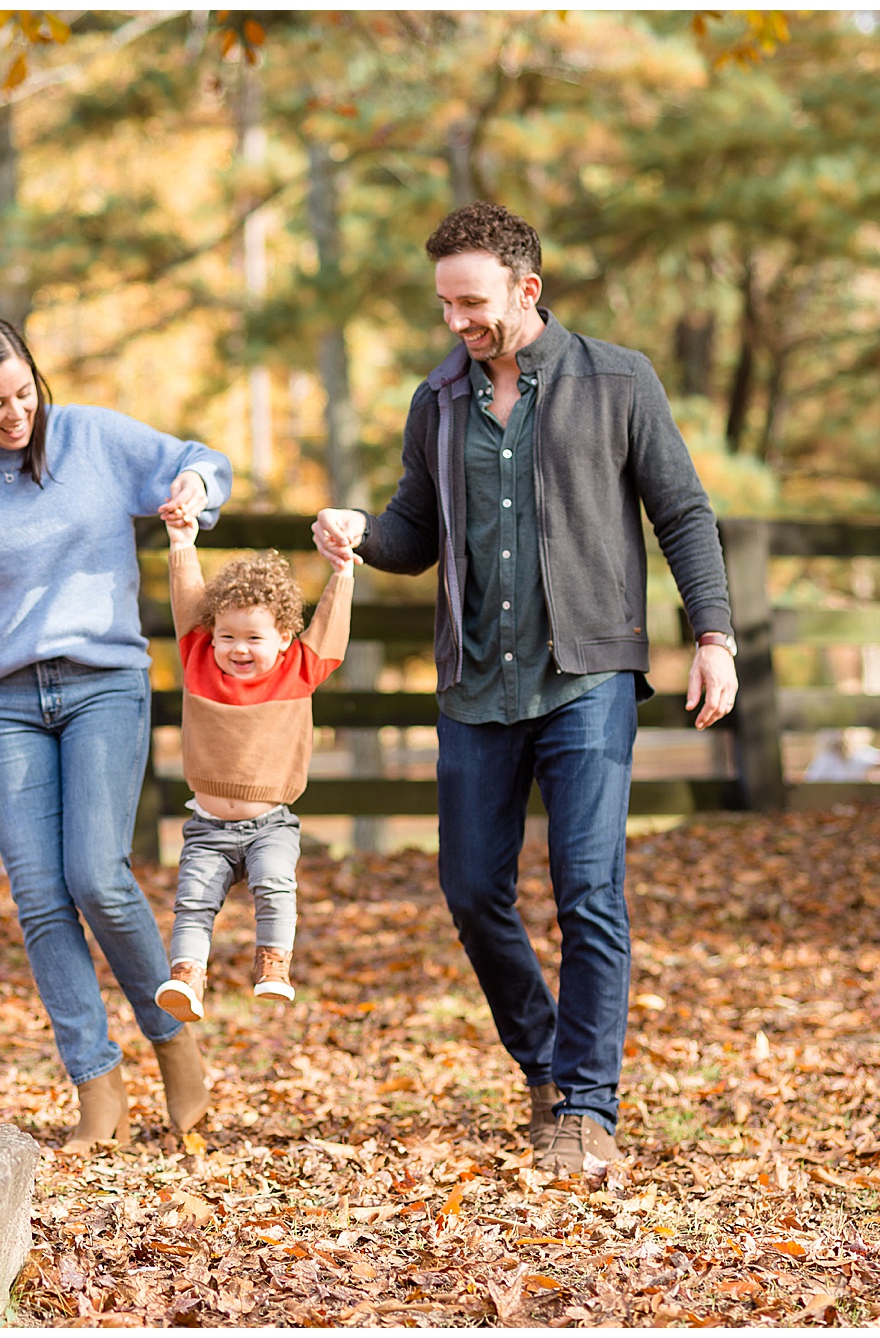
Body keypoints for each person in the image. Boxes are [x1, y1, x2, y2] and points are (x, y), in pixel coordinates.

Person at [311, 202, 739, 1180]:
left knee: (587, 891)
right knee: (469, 890)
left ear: (525, 290)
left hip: (585, 674)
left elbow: (681, 512)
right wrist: (357, 532)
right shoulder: (438, 400)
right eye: (444, 305)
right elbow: (414, 533)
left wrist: (710, 636)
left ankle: (586, 1106)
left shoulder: (617, 381)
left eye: (472, 302)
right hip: (475, 681)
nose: (456, 321)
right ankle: (545, 1061)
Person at [0, 313, 233, 1153]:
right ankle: (97, 1091)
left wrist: (197, 491)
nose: (16, 416)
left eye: (24, 395)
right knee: (40, 898)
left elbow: (200, 460)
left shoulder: (92, 438)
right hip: (4, 699)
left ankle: (173, 1041)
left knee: (96, 875)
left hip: (103, 683)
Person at [152, 511, 354, 1023]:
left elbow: (329, 630)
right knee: (193, 901)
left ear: (285, 637)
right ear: (210, 635)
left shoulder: (298, 670)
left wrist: (343, 574)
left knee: (274, 884)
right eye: (228, 637)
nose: (238, 648)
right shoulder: (199, 658)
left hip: (270, 826)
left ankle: (273, 967)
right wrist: (182, 543)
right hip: (208, 826)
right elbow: (186, 599)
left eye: (254, 639)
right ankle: (186, 976)